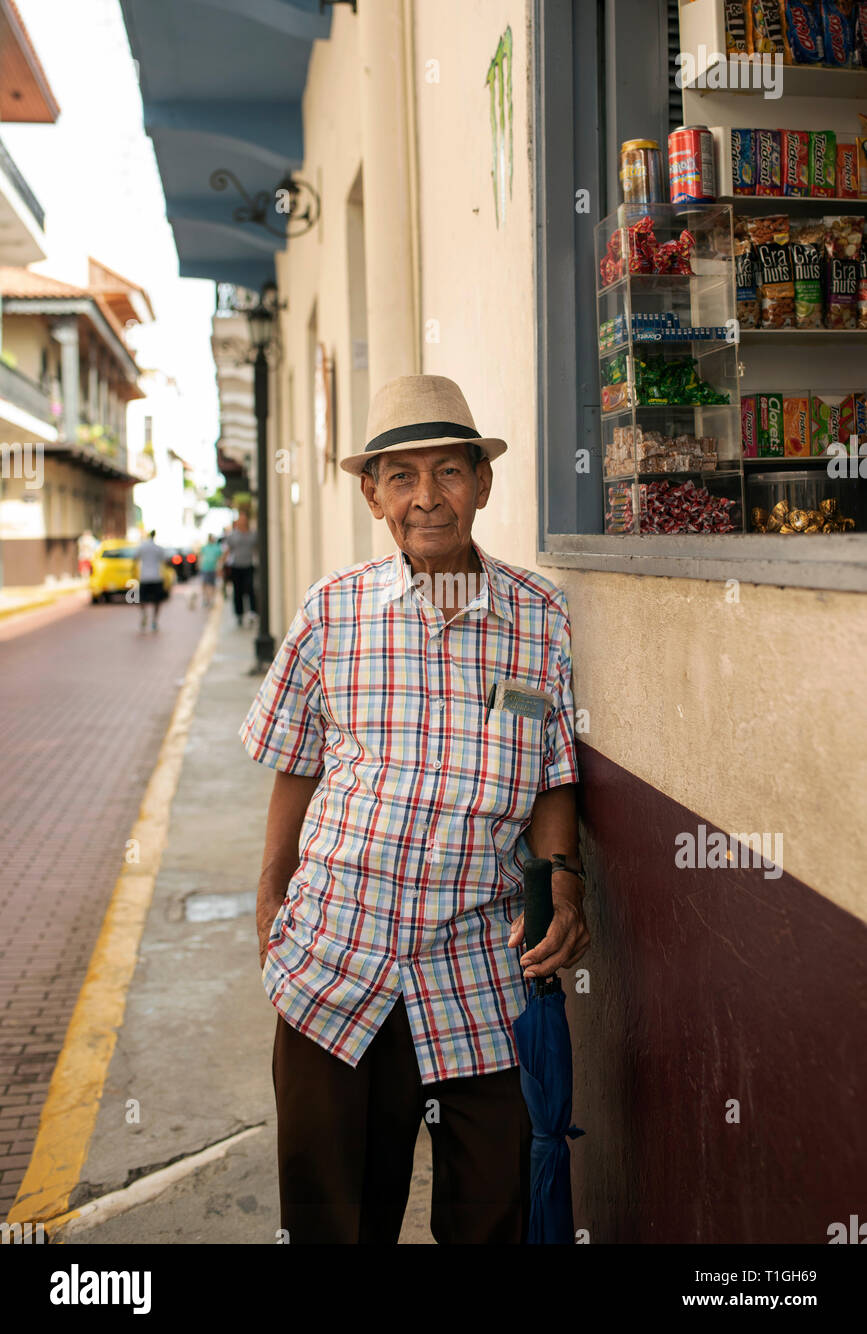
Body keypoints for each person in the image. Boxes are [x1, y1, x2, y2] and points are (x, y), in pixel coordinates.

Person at [240, 375, 590, 1245]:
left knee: (493, 1216)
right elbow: (294, 762)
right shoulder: (332, 611)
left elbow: (549, 772)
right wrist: (271, 901)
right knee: (334, 1219)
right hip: (336, 957)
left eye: (448, 472)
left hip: (478, 966)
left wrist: (567, 883)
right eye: (400, 477)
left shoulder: (539, 618)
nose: (426, 498)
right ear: (371, 495)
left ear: (483, 481)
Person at [223, 512, 257, 626]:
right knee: (237, 592)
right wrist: (221, 564)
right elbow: (228, 550)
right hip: (236, 566)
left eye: (244, 520)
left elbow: (256, 548)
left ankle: (252, 612)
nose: (242, 522)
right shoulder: (233, 535)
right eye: (240, 520)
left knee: (250, 589)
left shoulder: (252, 535)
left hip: (248, 565)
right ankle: (239, 615)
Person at [133, 529, 168, 632]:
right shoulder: (158, 548)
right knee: (157, 601)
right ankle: (154, 621)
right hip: (156, 577)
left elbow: (134, 558)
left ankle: (144, 614)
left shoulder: (142, 547)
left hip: (144, 577)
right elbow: (164, 560)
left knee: (141, 599)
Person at [198, 534, 223, 608]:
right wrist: (199, 565)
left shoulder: (217, 548)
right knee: (205, 584)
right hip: (205, 568)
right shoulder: (204, 547)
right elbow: (201, 556)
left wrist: (219, 568)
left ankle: (211, 600)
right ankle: (205, 599)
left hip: (213, 568)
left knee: (212, 585)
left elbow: (220, 558)